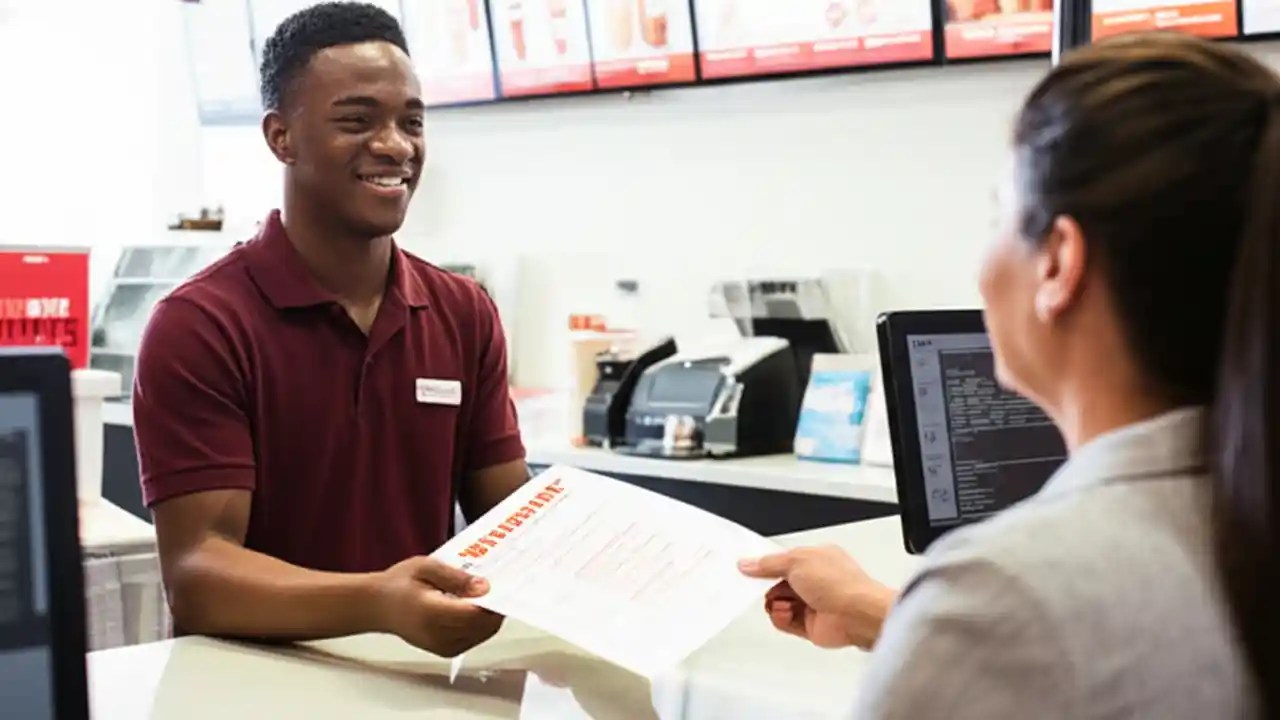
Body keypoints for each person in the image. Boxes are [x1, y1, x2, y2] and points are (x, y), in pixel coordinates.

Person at [741, 32, 1277, 718]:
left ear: (1057, 263)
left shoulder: (1003, 594)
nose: (982, 264)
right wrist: (893, 616)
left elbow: (1037, 628)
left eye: (1000, 217)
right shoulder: (1236, 517)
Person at [133, 2, 528, 658]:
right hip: (254, 693)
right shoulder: (201, 326)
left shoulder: (464, 312)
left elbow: (516, 525)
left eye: (412, 122)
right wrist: (376, 601)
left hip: (419, 685)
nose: (396, 145)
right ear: (281, 137)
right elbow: (199, 572)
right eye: (358, 121)